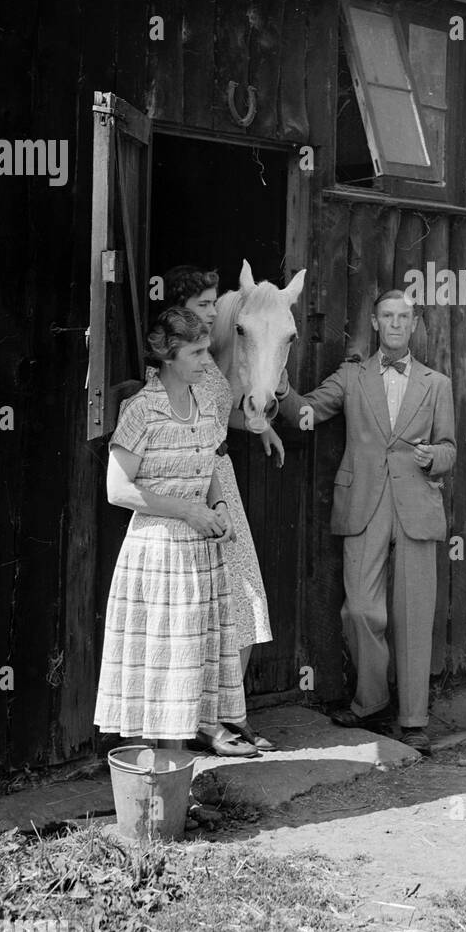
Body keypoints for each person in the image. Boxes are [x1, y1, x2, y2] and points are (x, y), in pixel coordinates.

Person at [278, 290, 456, 755]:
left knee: (414, 615)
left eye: (404, 317)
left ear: (414, 324)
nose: (395, 324)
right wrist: (277, 385)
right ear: (375, 324)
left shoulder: (436, 383)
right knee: (360, 609)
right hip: (363, 503)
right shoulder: (352, 377)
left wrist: (431, 456)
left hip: (416, 503)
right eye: (387, 317)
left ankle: (414, 719)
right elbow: (307, 411)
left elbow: (449, 449)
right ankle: (371, 702)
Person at [94, 308, 248, 750]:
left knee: (187, 673)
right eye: (197, 352)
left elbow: (210, 463)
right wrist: (188, 511)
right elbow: (117, 490)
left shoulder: (203, 406)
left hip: (199, 555)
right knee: (160, 669)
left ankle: (179, 791)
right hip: (157, 555)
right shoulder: (143, 409)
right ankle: (152, 793)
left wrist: (216, 503)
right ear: (169, 355)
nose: (206, 361)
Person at [163, 265, 279, 753]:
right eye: (204, 304)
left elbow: (221, 413)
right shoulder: (178, 359)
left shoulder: (208, 357)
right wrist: (215, 499)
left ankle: (229, 713)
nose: (213, 312)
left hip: (219, 475)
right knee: (211, 605)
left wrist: (260, 425)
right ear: (181, 309)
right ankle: (206, 724)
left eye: (214, 304)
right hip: (197, 482)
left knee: (246, 600)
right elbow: (194, 431)